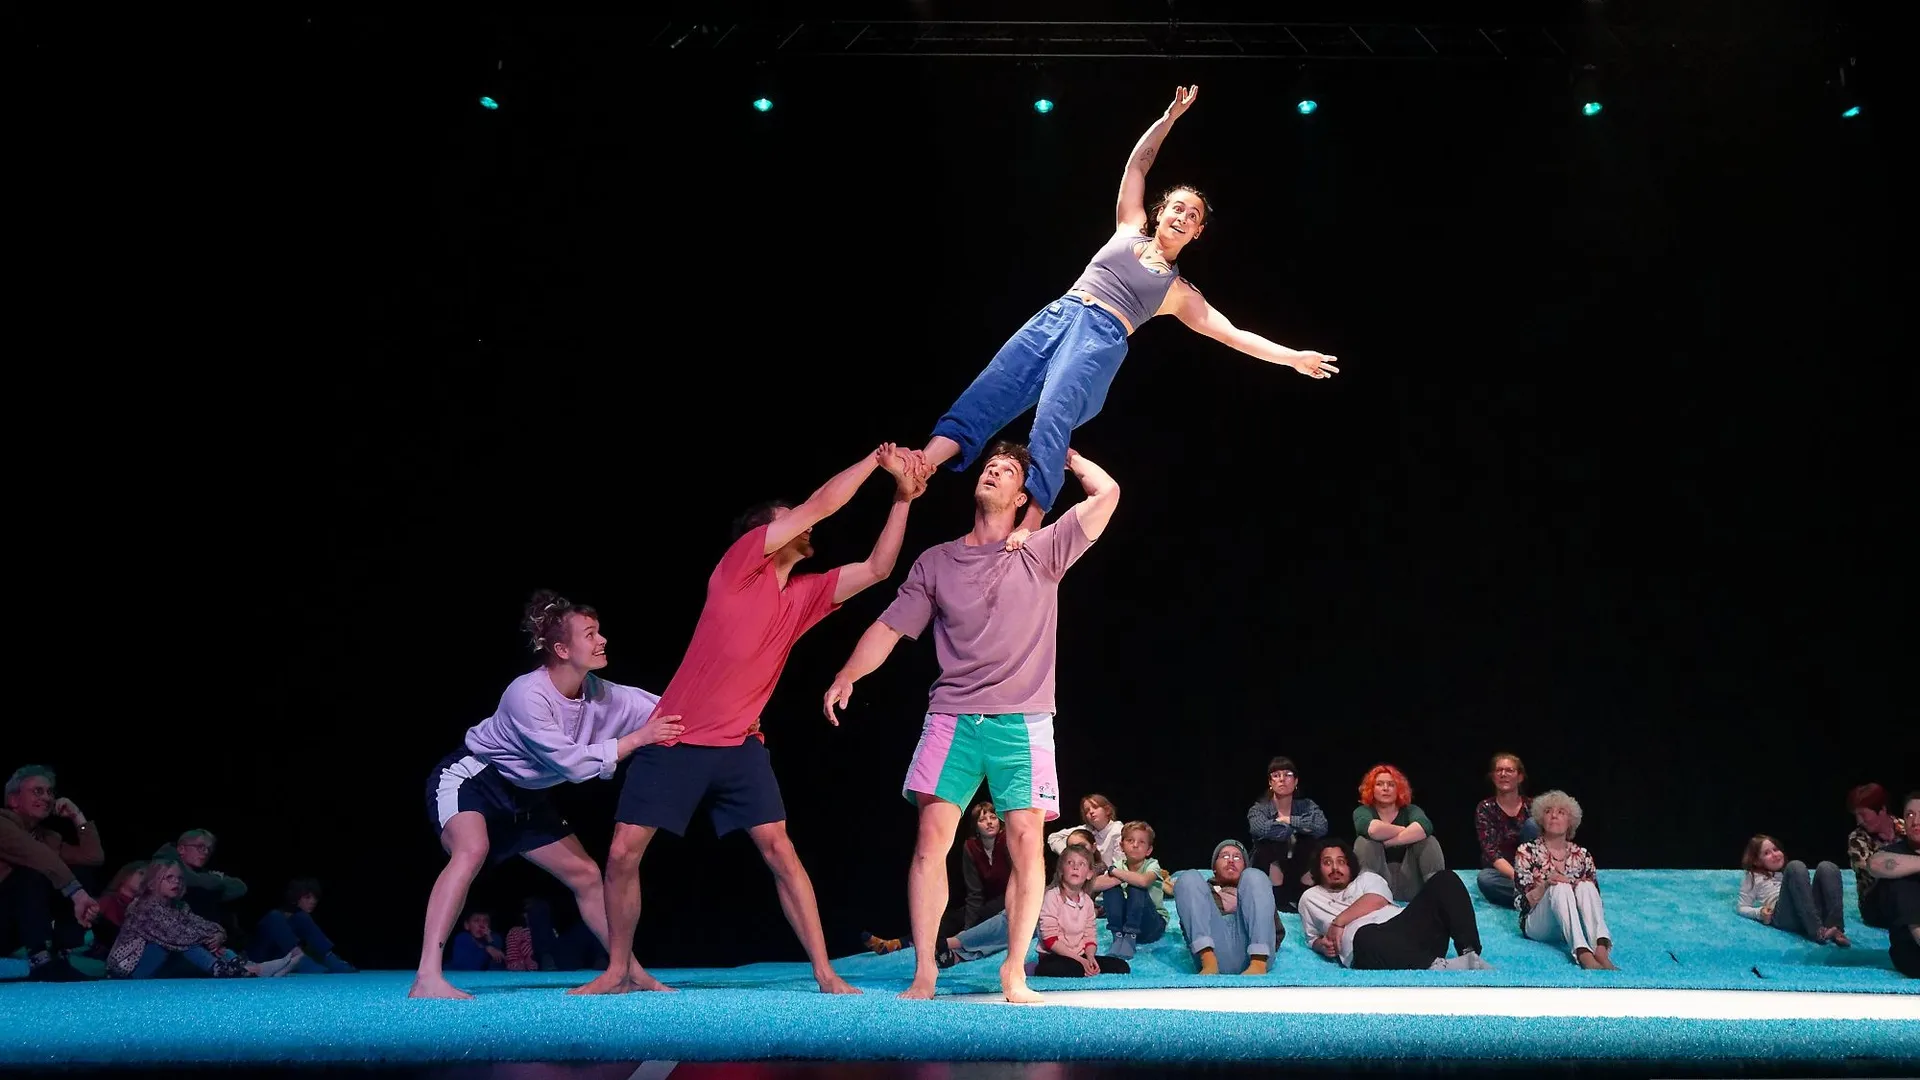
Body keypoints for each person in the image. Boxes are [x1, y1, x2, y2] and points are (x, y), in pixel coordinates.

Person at [911, 86, 1337, 545]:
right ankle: (925, 464)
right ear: (1160, 212)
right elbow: (1138, 165)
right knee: (995, 386)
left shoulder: (1179, 293)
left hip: (1101, 335)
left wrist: (1292, 357)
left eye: (1192, 216)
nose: (1181, 216)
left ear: (1196, 233)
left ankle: (1032, 519)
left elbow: (1233, 335)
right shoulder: (1128, 227)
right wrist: (1169, 117)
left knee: (1053, 414)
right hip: (1060, 313)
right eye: (1176, 207)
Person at [576, 444, 926, 996]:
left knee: (780, 850)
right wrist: (872, 463)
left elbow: (879, 569)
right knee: (622, 851)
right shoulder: (741, 567)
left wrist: (903, 499)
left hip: (740, 745)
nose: (801, 526)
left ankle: (825, 972)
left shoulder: (807, 595)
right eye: (786, 520)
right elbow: (818, 505)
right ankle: (620, 969)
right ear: (764, 535)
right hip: (677, 737)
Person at [824, 442, 1121, 1003]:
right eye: (989, 466)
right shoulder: (936, 561)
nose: (992, 471)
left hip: (1023, 720)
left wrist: (1072, 460)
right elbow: (890, 627)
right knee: (930, 840)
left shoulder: (1041, 548)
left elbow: (1109, 494)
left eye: (1007, 470)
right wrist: (848, 675)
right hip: (951, 717)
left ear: (1023, 495)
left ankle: (1013, 970)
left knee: (1027, 841)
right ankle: (925, 973)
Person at [409, 591, 685, 999]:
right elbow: (573, 766)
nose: (602, 640)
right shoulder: (526, 694)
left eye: (599, 632)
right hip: (476, 780)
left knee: (587, 875)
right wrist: (637, 739)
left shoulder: (602, 693)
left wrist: (731, 722)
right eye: (590, 634)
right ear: (561, 649)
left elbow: (668, 709)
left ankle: (628, 969)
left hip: (526, 800)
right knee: (471, 850)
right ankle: (427, 977)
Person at [1298, 840, 1492, 971]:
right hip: (1370, 946)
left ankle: (1469, 954)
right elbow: (1312, 937)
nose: (1335, 868)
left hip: (1404, 927)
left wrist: (1338, 922)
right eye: (1327, 863)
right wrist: (1322, 947)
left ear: (1350, 866)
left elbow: (1376, 899)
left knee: (1445, 879)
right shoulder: (1310, 898)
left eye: (1341, 862)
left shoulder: (1367, 878)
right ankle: (1438, 966)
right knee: (1364, 936)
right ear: (1318, 867)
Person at [1513, 790, 1616, 970]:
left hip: (1570, 922)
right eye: (1548, 811)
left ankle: (1600, 947)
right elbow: (1521, 904)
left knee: (1586, 886)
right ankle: (1583, 953)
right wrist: (1546, 885)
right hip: (1538, 924)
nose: (1554, 815)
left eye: (1561, 812)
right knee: (1558, 886)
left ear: (1570, 822)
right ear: (1540, 820)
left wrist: (1576, 887)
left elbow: (1595, 903)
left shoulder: (1582, 855)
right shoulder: (1526, 851)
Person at [1171, 840, 1278, 975]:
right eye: (1225, 856)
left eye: (1237, 857)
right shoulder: (1200, 891)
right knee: (1187, 877)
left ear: (1245, 866)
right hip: (1215, 949)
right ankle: (1208, 962)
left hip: (1252, 949)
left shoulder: (1257, 888)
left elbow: (1275, 930)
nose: (1231, 861)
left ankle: (1258, 963)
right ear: (1214, 867)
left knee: (1255, 875)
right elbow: (1189, 925)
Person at [1246, 755, 1329, 912]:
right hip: (1269, 871)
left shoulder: (1308, 805)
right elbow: (1260, 829)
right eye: (1276, 776)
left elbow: (1321, 827)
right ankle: (1278, 899)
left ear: (1296, 781)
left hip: (1299, 870)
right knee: (1272, 843)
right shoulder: (1258, 809)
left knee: (1311, 844)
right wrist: (1298, 827)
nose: (1282, 779)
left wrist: (1289, 820)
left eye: (1288, 775)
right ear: (1270, 783)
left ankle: (1303, 896)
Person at [1034, 844, 1130, 978]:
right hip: (1054, 956)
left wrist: (1090, 958)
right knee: (1072, 969)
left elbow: (1089, 935)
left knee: (1121, 966)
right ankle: (1075, 967)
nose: (1075, 867)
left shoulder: (1088, 902)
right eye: (1070, 863)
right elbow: (1050, 940)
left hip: (1079, 955)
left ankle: (1083, 965)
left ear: (1089, 874)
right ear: (1062, 870)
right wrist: (1080, 961)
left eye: (1082, 864)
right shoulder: (1051, 897)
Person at [1736, 835, 1850, 947]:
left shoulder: (1786, 872)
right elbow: (1742, 907)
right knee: (1795, 866)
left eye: (1776, 849)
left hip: (1807, 912)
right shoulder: (1753, 877)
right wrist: (1760, 913)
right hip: (1784, 915)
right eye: (1767, 853)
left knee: (1827, 867)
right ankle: (1817, 931)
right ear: (1756, 861)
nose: (1775, 855)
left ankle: (1835, 928)